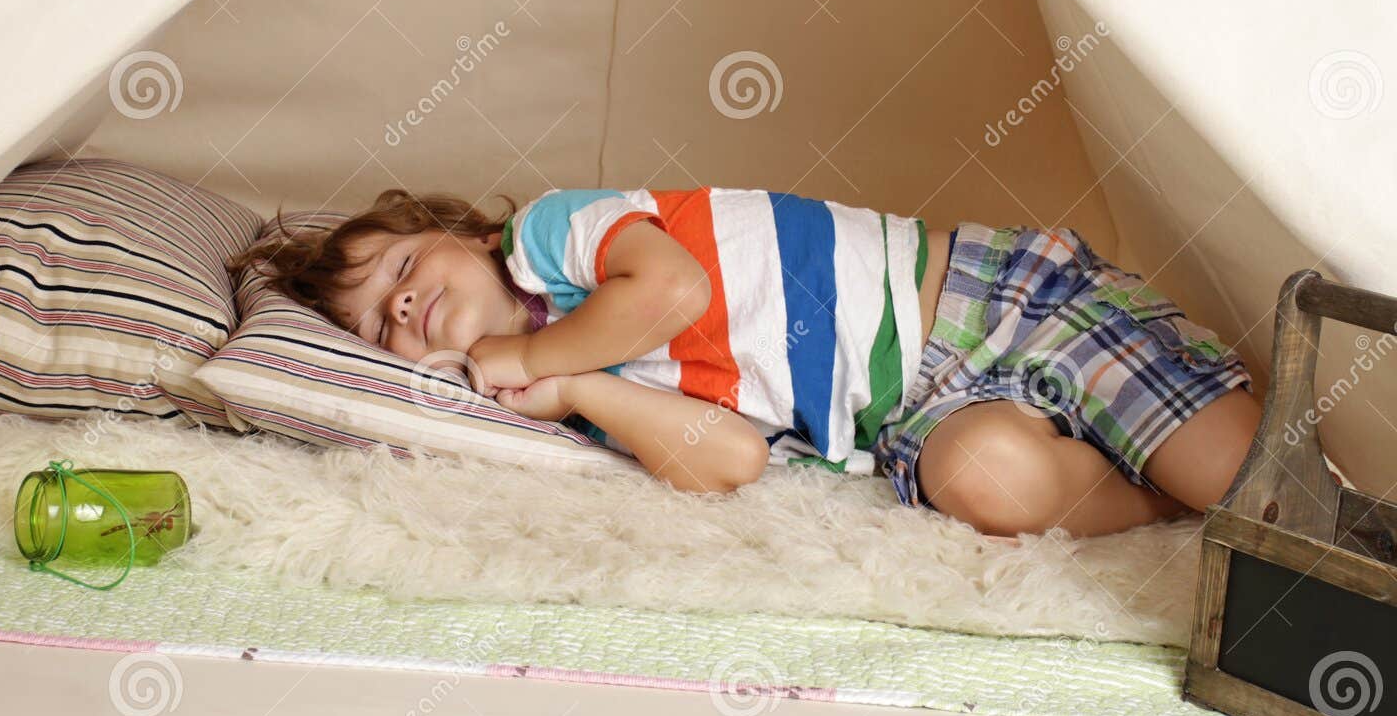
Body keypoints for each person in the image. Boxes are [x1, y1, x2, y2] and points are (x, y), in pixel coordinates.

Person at [230, 186, 1261, 539]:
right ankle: (1165, 507)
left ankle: (1199, 448)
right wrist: (580, 388)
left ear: (458, 233)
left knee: (1245, 483)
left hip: (995, 303)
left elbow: (671, 291)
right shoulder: (589, 389)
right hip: (915, 413)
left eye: (404, 267)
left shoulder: (554, 234)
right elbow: (730, 460)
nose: (403, 303)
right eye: (381, 325)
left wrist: (538, 348)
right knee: (980, 476)